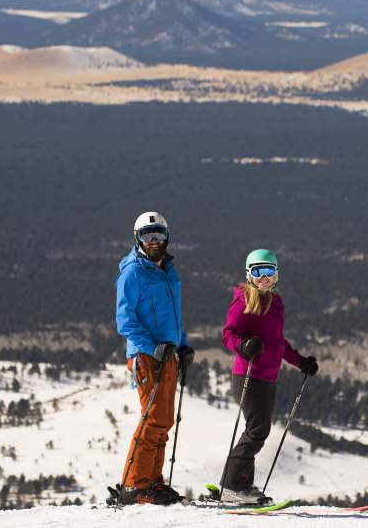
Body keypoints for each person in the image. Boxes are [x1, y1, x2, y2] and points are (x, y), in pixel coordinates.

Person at [218, 248, 319, 504]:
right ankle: (233, 487)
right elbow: (228, 334)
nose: (264, 278)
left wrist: (300, 361)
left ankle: (240, 485)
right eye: (258, 272)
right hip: (248, 375)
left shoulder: (276, 303)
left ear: (277, 275)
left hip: (268, 377)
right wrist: (243, 346)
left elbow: (277, 342)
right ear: (249, 274)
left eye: (269, 272)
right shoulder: (244, 300)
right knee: (257, 430)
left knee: (257, 430)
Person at [109, 211, 194, 506]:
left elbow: (174, 316)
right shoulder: (133, 272)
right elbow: (125, 321)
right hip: (147, 355)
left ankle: (152, 481)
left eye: (158, 234)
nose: (154, 241)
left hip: (168, 353)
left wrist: (182, 345)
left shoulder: (169, 271)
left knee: (164, 421)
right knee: (153, 418)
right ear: (138, 239)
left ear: (167, 237)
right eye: (147, 236)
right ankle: (135, 484)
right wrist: (151, 347)